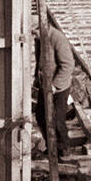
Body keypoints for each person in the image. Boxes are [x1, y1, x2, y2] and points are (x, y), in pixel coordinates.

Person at [33, 23, 76, 158]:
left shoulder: (57, 38)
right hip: (44, 85)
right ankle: (52, 147)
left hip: (59, 88)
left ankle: (63, 151)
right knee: (41, 116)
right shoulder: (40, 38)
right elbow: (40, 61)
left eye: (34, 31)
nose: (33, 35)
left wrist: (55, 85)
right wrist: (36, 79)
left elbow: (68, 65)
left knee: (57, 119)